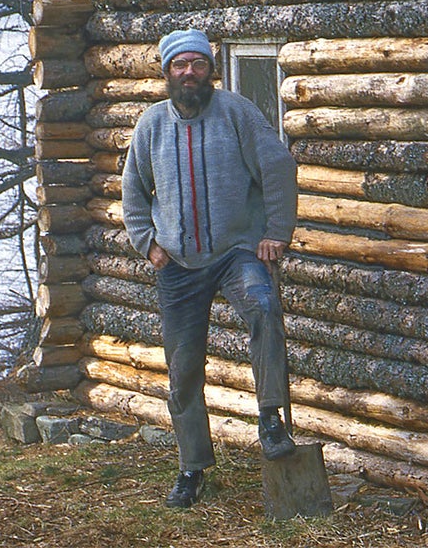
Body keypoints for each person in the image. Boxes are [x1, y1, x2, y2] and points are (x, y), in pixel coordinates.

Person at [121, 28, 299, 509]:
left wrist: (276, 232)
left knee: (263, 307)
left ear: (210, 70)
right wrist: (147, 243)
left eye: (198, 64)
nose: (189, 73)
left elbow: (278, 167)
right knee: (182, 369)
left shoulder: (237, 112)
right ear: (167, 72)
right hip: (178, 264)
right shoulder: (151, 125)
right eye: (180, 65)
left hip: (235, 252)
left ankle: (270, 420)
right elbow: (133, 189)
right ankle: (192, 468)